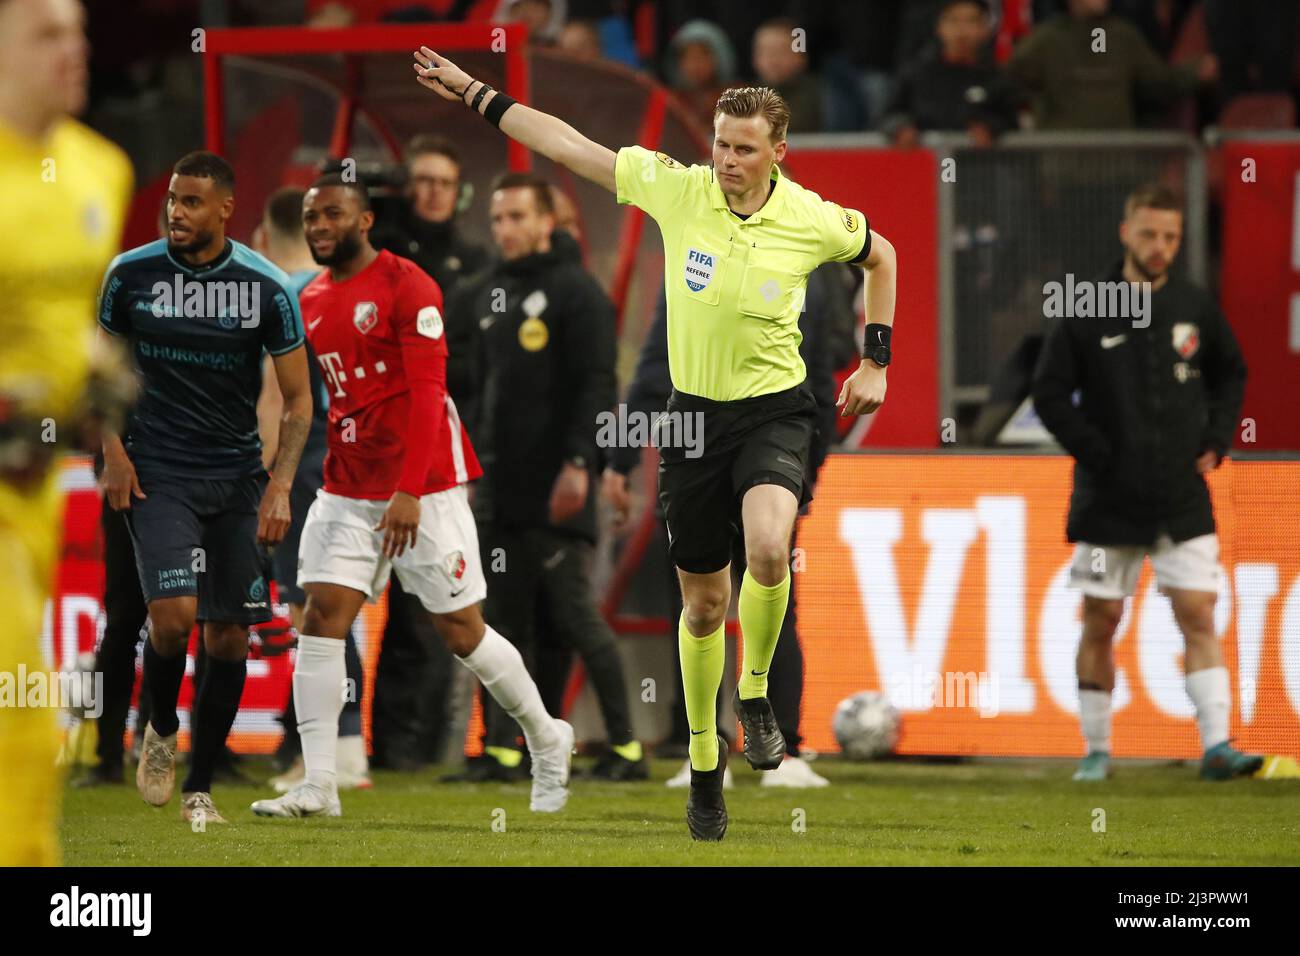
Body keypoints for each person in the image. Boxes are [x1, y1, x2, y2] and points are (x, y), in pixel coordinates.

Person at [414, 51, 897, 840]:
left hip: (779, 413)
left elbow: (883, 257)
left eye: (745, 147)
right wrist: (476, 92)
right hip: (694, 425)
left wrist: (875, 357)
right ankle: (705, 766)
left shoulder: (812, 217)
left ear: (780, 152)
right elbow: (568, 146)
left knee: (771, 550)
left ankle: (753, 699)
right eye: (720, 142)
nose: (728, 159)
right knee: (703, 605)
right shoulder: (678, 190)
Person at [250, 174, 574, 819]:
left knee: (461, 631)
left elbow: (429, 393)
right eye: (311, 219)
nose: (319, 228)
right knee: (320, 617)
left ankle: (545, 735)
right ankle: (320, 783)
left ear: (364, 221)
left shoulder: (408, 286)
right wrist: (281, 481)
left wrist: (408, 492)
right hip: (346, 483)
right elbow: (309, 400)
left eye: (332, 216)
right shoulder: (309, 297)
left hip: (423, 484)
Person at [98, 151, 314, 824]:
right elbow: (97, 374)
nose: (176, 213)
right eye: (171, 200)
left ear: (225, 209)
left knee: (227, 639)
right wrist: (112, 453)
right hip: (157, 469)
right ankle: (159, 728)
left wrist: (279, 487)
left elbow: (300, 399)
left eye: (191, 202)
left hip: (238, 477)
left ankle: (200, 789)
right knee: (172, 618)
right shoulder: (128, 275)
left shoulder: (267, 286)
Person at [1030, 182, 1260, 783]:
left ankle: (1217, 746)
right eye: (1150, 234)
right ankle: (1097, 751)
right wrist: (1096, 452)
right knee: (1102, 618)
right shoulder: (1086, 306)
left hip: (1182, 498)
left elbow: (1230, 372)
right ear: (1126, 233)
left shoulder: (1195, 305)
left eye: (1172, 237)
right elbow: (1048, 393)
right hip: (1109, 502)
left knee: (1198, 613)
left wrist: (1217, 437)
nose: (1161, 247)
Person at [448, 171, 646, 781]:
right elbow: (468, 389)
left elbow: (595, 386)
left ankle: (624, 749)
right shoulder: (482, 294)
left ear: (546, 222)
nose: (504, 229)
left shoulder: (578, 293)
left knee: (574, 618)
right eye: (497, 218)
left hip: (557, 485)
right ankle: (505, 750)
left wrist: (581, 463)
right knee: (500, 624)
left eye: (516, 217)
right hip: (496, 487)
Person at [0, 0, 132, 865]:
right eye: (48, 32)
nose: (74, 50)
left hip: (36, 486)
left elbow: (73, 328)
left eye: (78, 31)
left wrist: (103, 377)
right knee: (24, 706)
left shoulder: (101, 171)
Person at [368, 133, 490, 771]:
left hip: (445, 452)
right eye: (421, 181)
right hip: (373, 446)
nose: (432, 192)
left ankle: (420, 748)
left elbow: (475, 361)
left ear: (459, 191)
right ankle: (373, 745)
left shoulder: (475, 263)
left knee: (438, 607)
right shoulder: (382, 255)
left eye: (444, 182)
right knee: (340, 598)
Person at [252, 187, 371, 791]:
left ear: (264, 240)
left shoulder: (284, 300)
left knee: (313, 611)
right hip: (355, 461)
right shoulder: (341, 291)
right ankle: (328, 748)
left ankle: (341, 749)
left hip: (304, 465)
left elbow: (276, 402)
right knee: (332, 608)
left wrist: (265, 476)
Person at [1006, 0, 1217, 130]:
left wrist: (1195, 72)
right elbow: (1008, 82)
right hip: (1063, 169)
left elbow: (1159, 82)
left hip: (1115, 166)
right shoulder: (1046, 40)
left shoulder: (1122, 36)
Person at [882, 0, 1019, 149]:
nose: (961, 30)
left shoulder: (996, 78)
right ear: (939, 27)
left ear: (985, 29)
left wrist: (991, 127)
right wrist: (900, 127)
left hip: (978, 166)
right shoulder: (917, 74)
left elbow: (1012, 123)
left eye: (971, 21)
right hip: (927, 167)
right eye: (953, 20)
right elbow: (888, 116)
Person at [751, 18, 823, 135]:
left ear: (801, 56)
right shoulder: (744, 97)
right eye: (765, 51)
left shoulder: (822, 96)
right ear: (754, 59)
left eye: (782, 51)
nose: (773, 60)